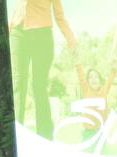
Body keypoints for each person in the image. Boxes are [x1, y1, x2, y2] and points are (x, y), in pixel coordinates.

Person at [10, 0, 77, 140]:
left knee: (39, 87)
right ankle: (16, 135)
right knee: (18, 85)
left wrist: (70, 38)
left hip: (42, 35)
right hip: (18, 33)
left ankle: (45, 137)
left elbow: (59, 15)